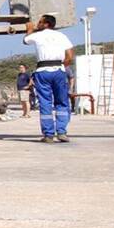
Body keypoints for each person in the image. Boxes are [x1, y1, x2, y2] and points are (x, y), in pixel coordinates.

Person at [24, 14, 75, 142]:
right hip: (58, 70)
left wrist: (29, 29)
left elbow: (25, 40)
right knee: (62, 101)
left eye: (40, 22)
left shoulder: (37, 35)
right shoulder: (62, 36)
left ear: (46, 24)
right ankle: (62, 131)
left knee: (45, 102)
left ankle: (48, 134)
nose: (38, 24)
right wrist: (62, 66)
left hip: (42, 71)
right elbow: (70, 56)